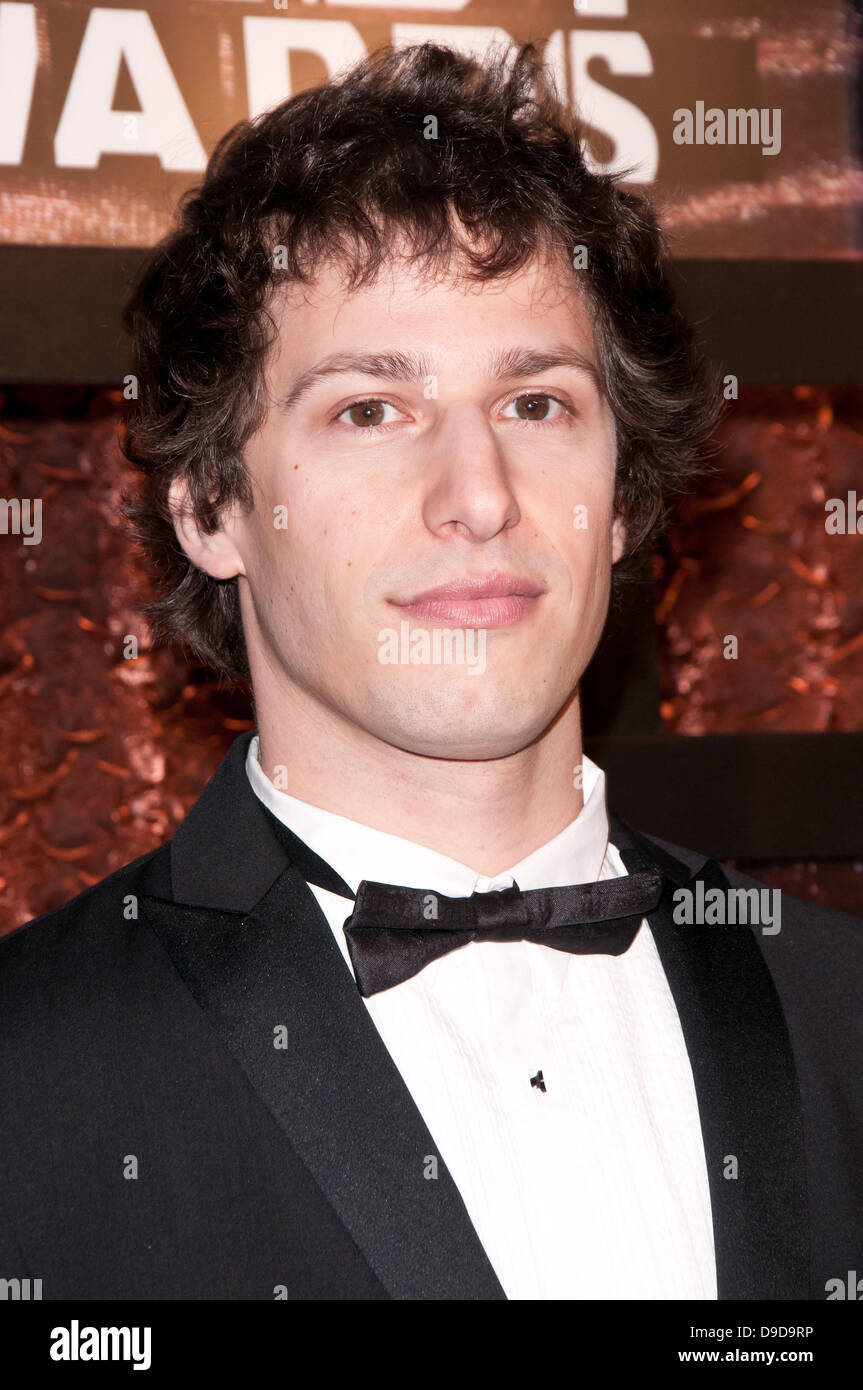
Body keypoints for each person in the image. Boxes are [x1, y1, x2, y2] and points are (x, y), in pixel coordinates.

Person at [0, 40, 860, 1302]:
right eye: (368, 409)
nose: (477, 497)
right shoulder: (32, 1073)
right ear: (209, 508)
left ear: (620, 496)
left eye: (535, 405)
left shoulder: (835, 1004)